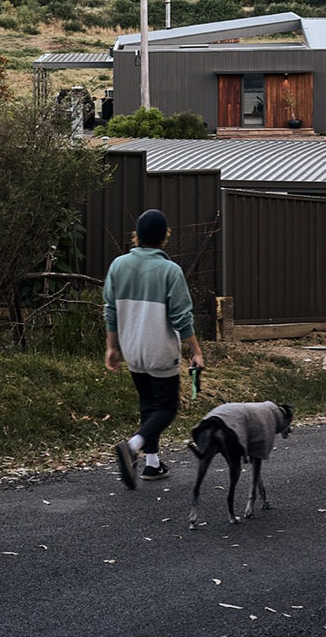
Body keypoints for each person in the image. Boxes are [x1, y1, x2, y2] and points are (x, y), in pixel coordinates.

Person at [103, 208, 205, 488]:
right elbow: (182, 317)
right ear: (165, 237)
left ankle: (152, 465)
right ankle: (132, 445)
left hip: (132, 350)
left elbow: (110, 311)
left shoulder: (118, 266)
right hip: (160, 350)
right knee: (167, 408)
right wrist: (196, 351)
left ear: (136, 236)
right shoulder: (170, 271)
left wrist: (112, 348)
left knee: (149, 406)